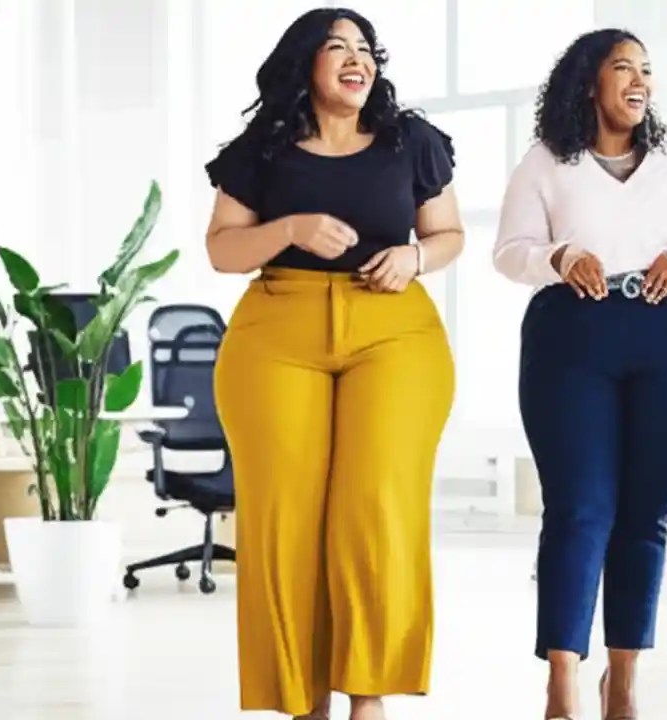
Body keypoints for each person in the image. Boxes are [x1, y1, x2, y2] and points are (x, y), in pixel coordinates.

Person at [203, 8, 462, 720]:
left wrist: (415, 257)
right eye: (337, 47)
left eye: (364, 48)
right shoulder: (262, 149)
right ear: (304, 65)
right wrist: (288, 230)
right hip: (276, 331)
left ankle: (368, 698)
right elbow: (222, 248)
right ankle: (303, 701)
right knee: (285, 520)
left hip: (394, 334)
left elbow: (447, 234)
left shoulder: (412, 141)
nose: (357, 59)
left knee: (375, 507)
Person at [493, 28, 667, 720]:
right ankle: (563, 680)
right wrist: (561, 256)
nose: (639, 80)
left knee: (644, 513)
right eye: (623, 67)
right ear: (588, 82)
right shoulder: (547, 161)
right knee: (579, 507)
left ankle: (623, 680)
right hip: (572, 336)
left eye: (646, 70)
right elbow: (510, 251)